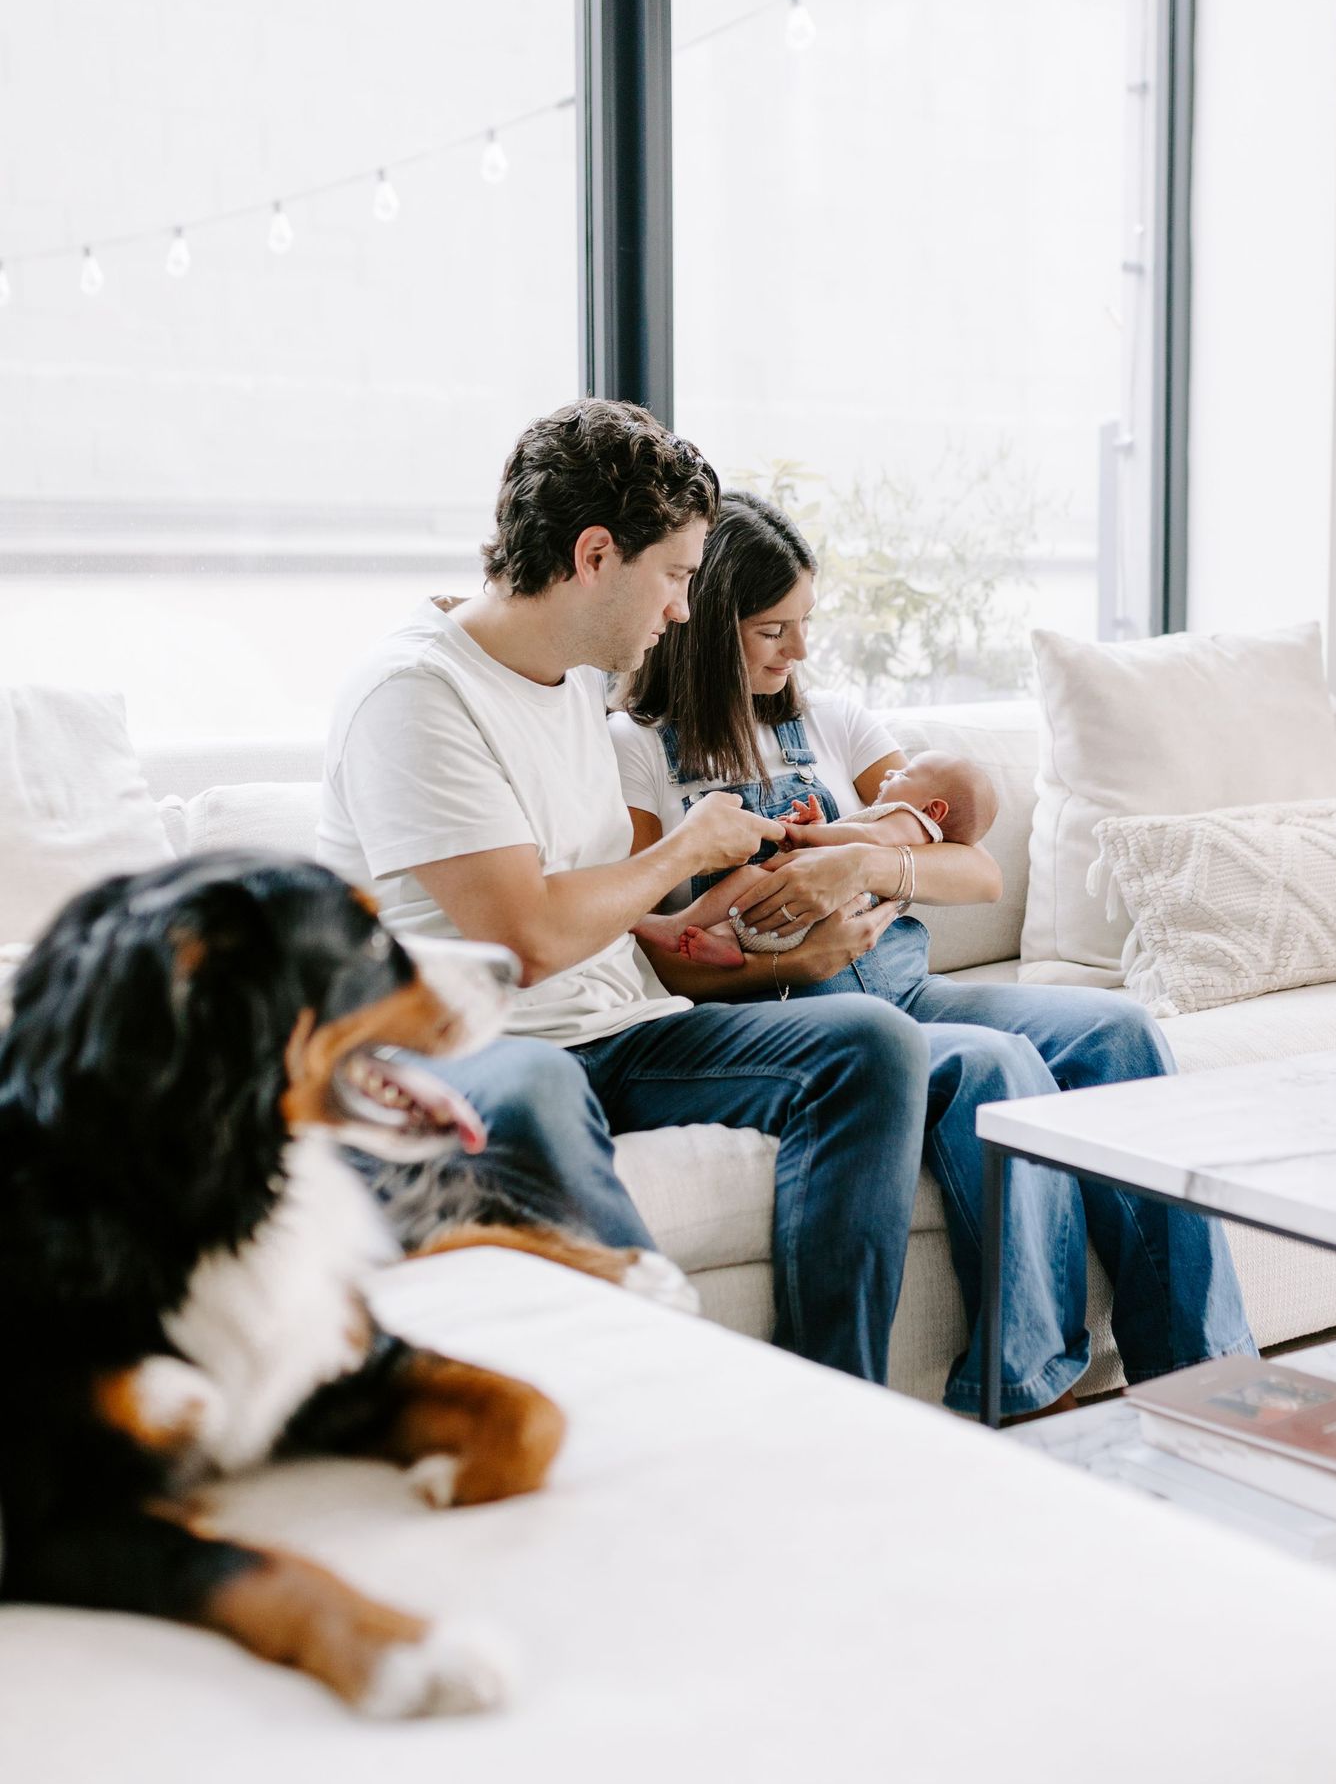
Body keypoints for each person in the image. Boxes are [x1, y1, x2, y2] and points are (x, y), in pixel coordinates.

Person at [318, 400, 936, 1387]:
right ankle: (671, 1385)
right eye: (678, 576)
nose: (685, 610)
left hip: (617, 1028)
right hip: (472, 1048)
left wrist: (679, 926)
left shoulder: (573, 678)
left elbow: (581, 885)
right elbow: (519, 941)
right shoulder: (415, 694)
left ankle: (832, 1399)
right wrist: (683, 848)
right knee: (539, 1080)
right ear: (596, 555)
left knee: (874, 1041)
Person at [610, 491, 1255, 1418]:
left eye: (805, 624)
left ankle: (1206, 1376)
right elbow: (667, 959)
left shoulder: (834, 722)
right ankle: (1027, 1391)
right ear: (707, 629)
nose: (798, 652)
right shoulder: (636, 750)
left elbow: (974, 870)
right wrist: (799, 963)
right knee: (996, 1064)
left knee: (1121, 1032)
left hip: (906, 988)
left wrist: (864, 863)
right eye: (772, 631)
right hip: (788, 1020)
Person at [632, 750, 998, 968]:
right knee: (746, 898)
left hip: (821, 920)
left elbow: (866, 842)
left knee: (748, 879)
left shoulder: (909, 820)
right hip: (809, 930)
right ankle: (727, 940)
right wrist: (823, 830)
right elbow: (849, 847)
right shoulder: (909, 827)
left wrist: (807, 836)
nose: (890, 772)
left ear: (934, 810)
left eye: (903, 774)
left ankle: (681, 924)